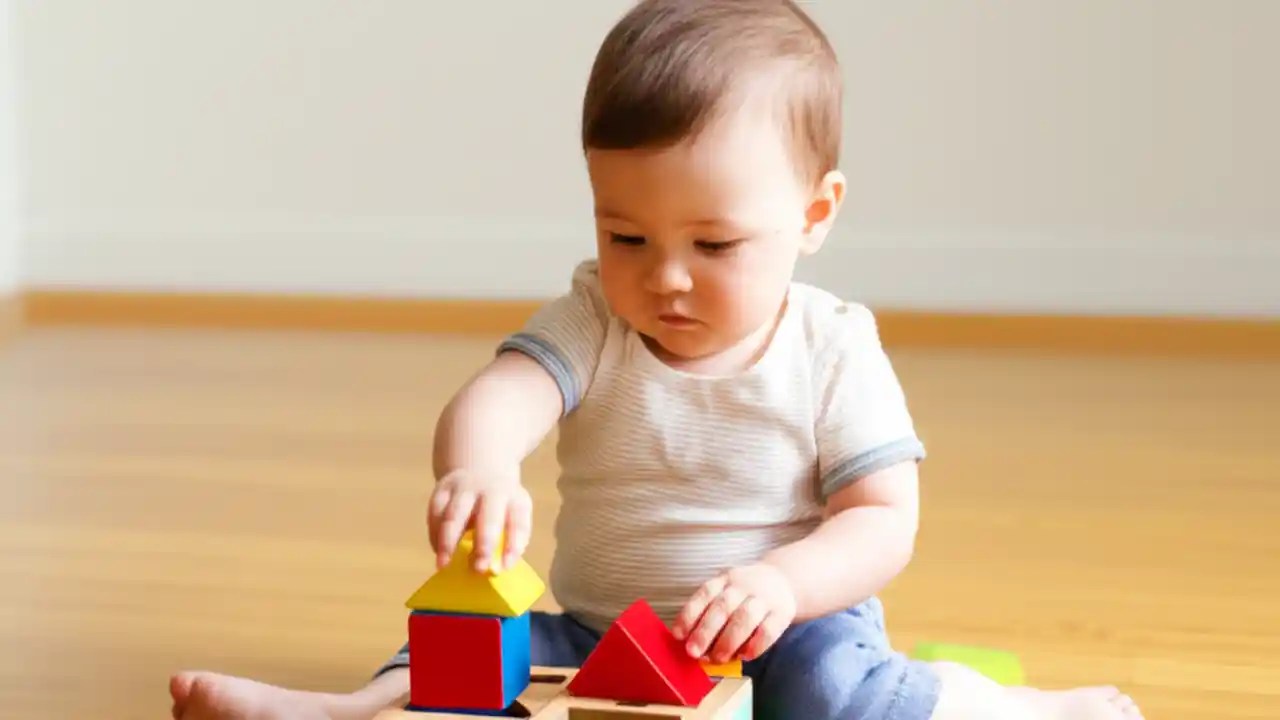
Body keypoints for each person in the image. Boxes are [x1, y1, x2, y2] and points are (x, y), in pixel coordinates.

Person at [170, 2, 1144, 718]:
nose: (664, 279)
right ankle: (350, 709)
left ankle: (1008, 710)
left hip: (786, 629)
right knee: (481, 654)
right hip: (607, 631)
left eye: (712, 246)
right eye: (626, 235)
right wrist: (477, 465)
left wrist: (785, 585)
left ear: (814, 215)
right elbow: (501, 394)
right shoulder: (595, 317)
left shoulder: (830, 346)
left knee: (827, 696)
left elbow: (882, 523)